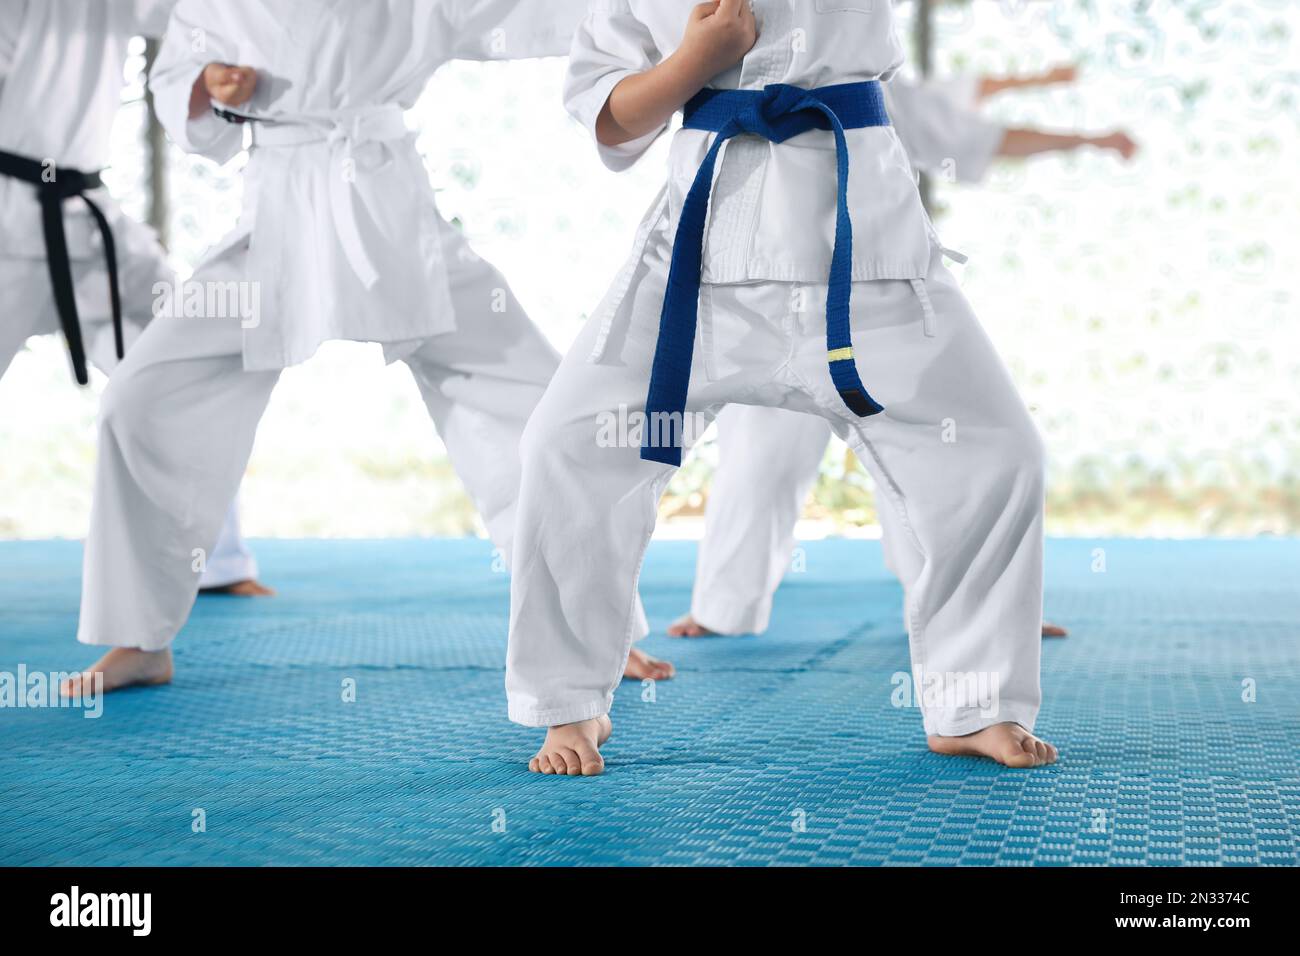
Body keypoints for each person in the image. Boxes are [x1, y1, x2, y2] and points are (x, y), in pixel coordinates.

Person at [506, 0, 1058, 775]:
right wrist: (699, 57)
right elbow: (611, 118)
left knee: (996, 454)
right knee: (568, 449)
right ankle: (568, 705)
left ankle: (975, 704)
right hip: (698, 266)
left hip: (866, 255)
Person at [61, 0, 673, 696]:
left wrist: (660, 26)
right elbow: (179, 73)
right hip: (275, 218)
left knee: (531, 405)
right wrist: (207, 85)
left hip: (387, 208)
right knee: (140, 399)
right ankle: (140, 638)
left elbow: (533, 13)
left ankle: (594, 636)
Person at [668, 73, 1139, 642]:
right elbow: (977, 101)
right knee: (759, 462)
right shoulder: (732, 82)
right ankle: (722, 608)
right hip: (760, 295)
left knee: (924, 456)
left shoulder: (874, 89)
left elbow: (982, 130)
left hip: (869, 299)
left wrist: (1088, 140)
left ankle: (972, 609)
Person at [0, 0, 266, 597]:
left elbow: (193, 14)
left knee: (184, 365)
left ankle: (213, 559)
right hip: (6, 221)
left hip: (86, 221)